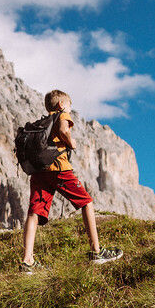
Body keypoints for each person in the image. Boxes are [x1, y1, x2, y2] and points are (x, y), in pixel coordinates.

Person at [21, 90, 122, 273]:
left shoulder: (41, 123)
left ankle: (27, 260)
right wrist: (71, 141)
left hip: (38, 172)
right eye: (69, 105)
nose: (70, 108)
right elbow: (63, 129)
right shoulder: (62, 115)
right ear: (61, 104)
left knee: (34, 212)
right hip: (59, 168)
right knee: (86, 202)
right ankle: (96, 252)